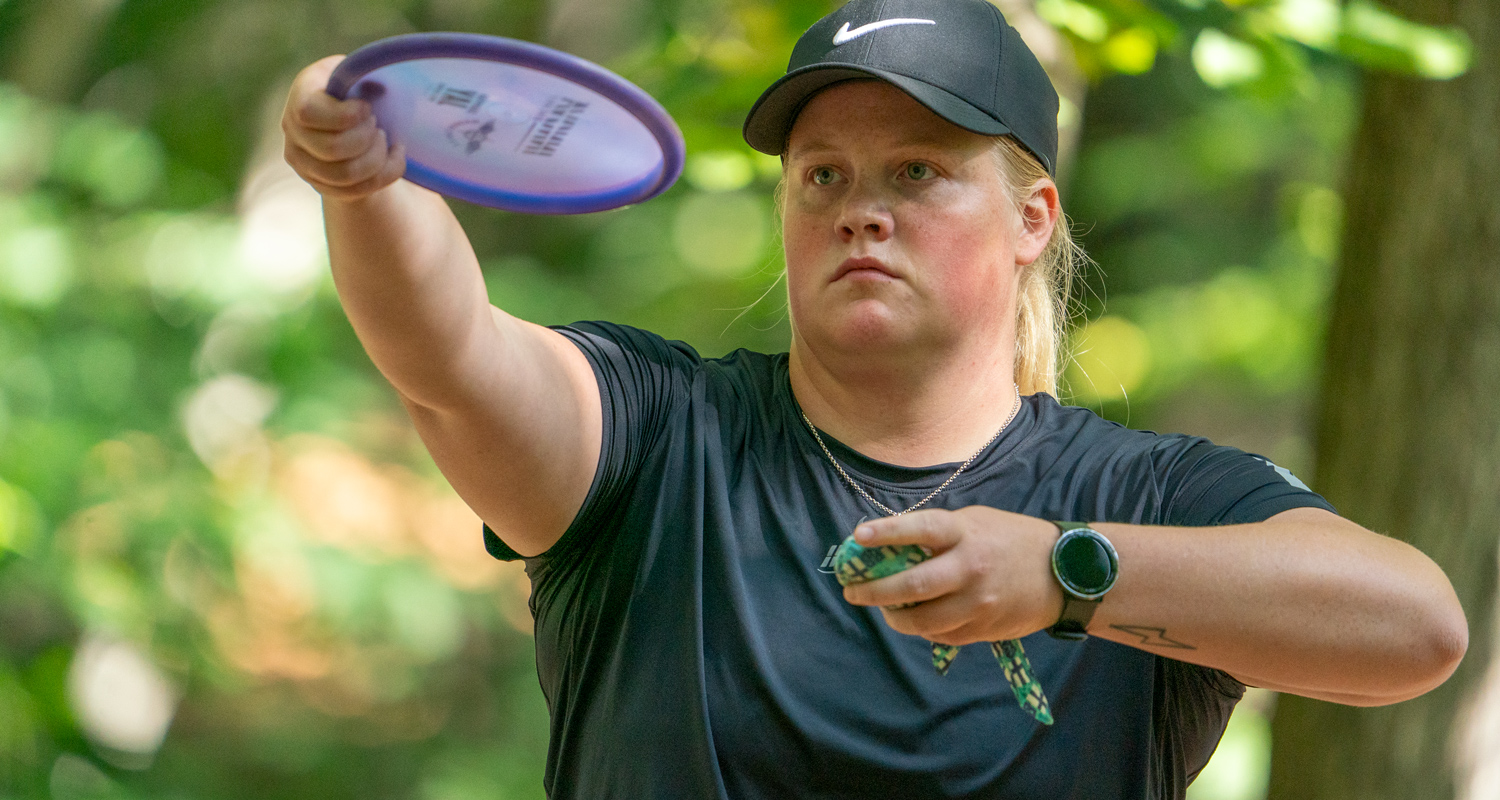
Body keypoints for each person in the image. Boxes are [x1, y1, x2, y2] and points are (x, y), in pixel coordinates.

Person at [280, 0, 1469, 797]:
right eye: (823, 176)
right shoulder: (660, 437)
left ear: (1031, 218)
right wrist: (361, 171)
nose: (860, 210)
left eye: (916, 172)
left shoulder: (1139, 493)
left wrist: (1066, 574)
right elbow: (447, 350)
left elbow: (1417, 627)